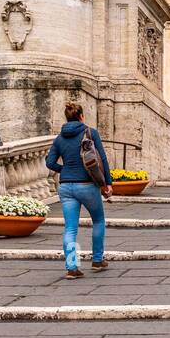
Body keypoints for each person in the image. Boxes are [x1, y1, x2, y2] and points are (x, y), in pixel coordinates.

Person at [45, 102, 113, 279]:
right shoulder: (90, 133)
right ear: (81, 116)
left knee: (70, 228)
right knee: (98, 220)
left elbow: (49, 163)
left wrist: (65, 170)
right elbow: (102, 160)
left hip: (66, 186)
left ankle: (72, 267)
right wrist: (107, 183)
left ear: (67, 118)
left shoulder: (59, 138)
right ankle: (97, 259)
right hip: (87, 185)